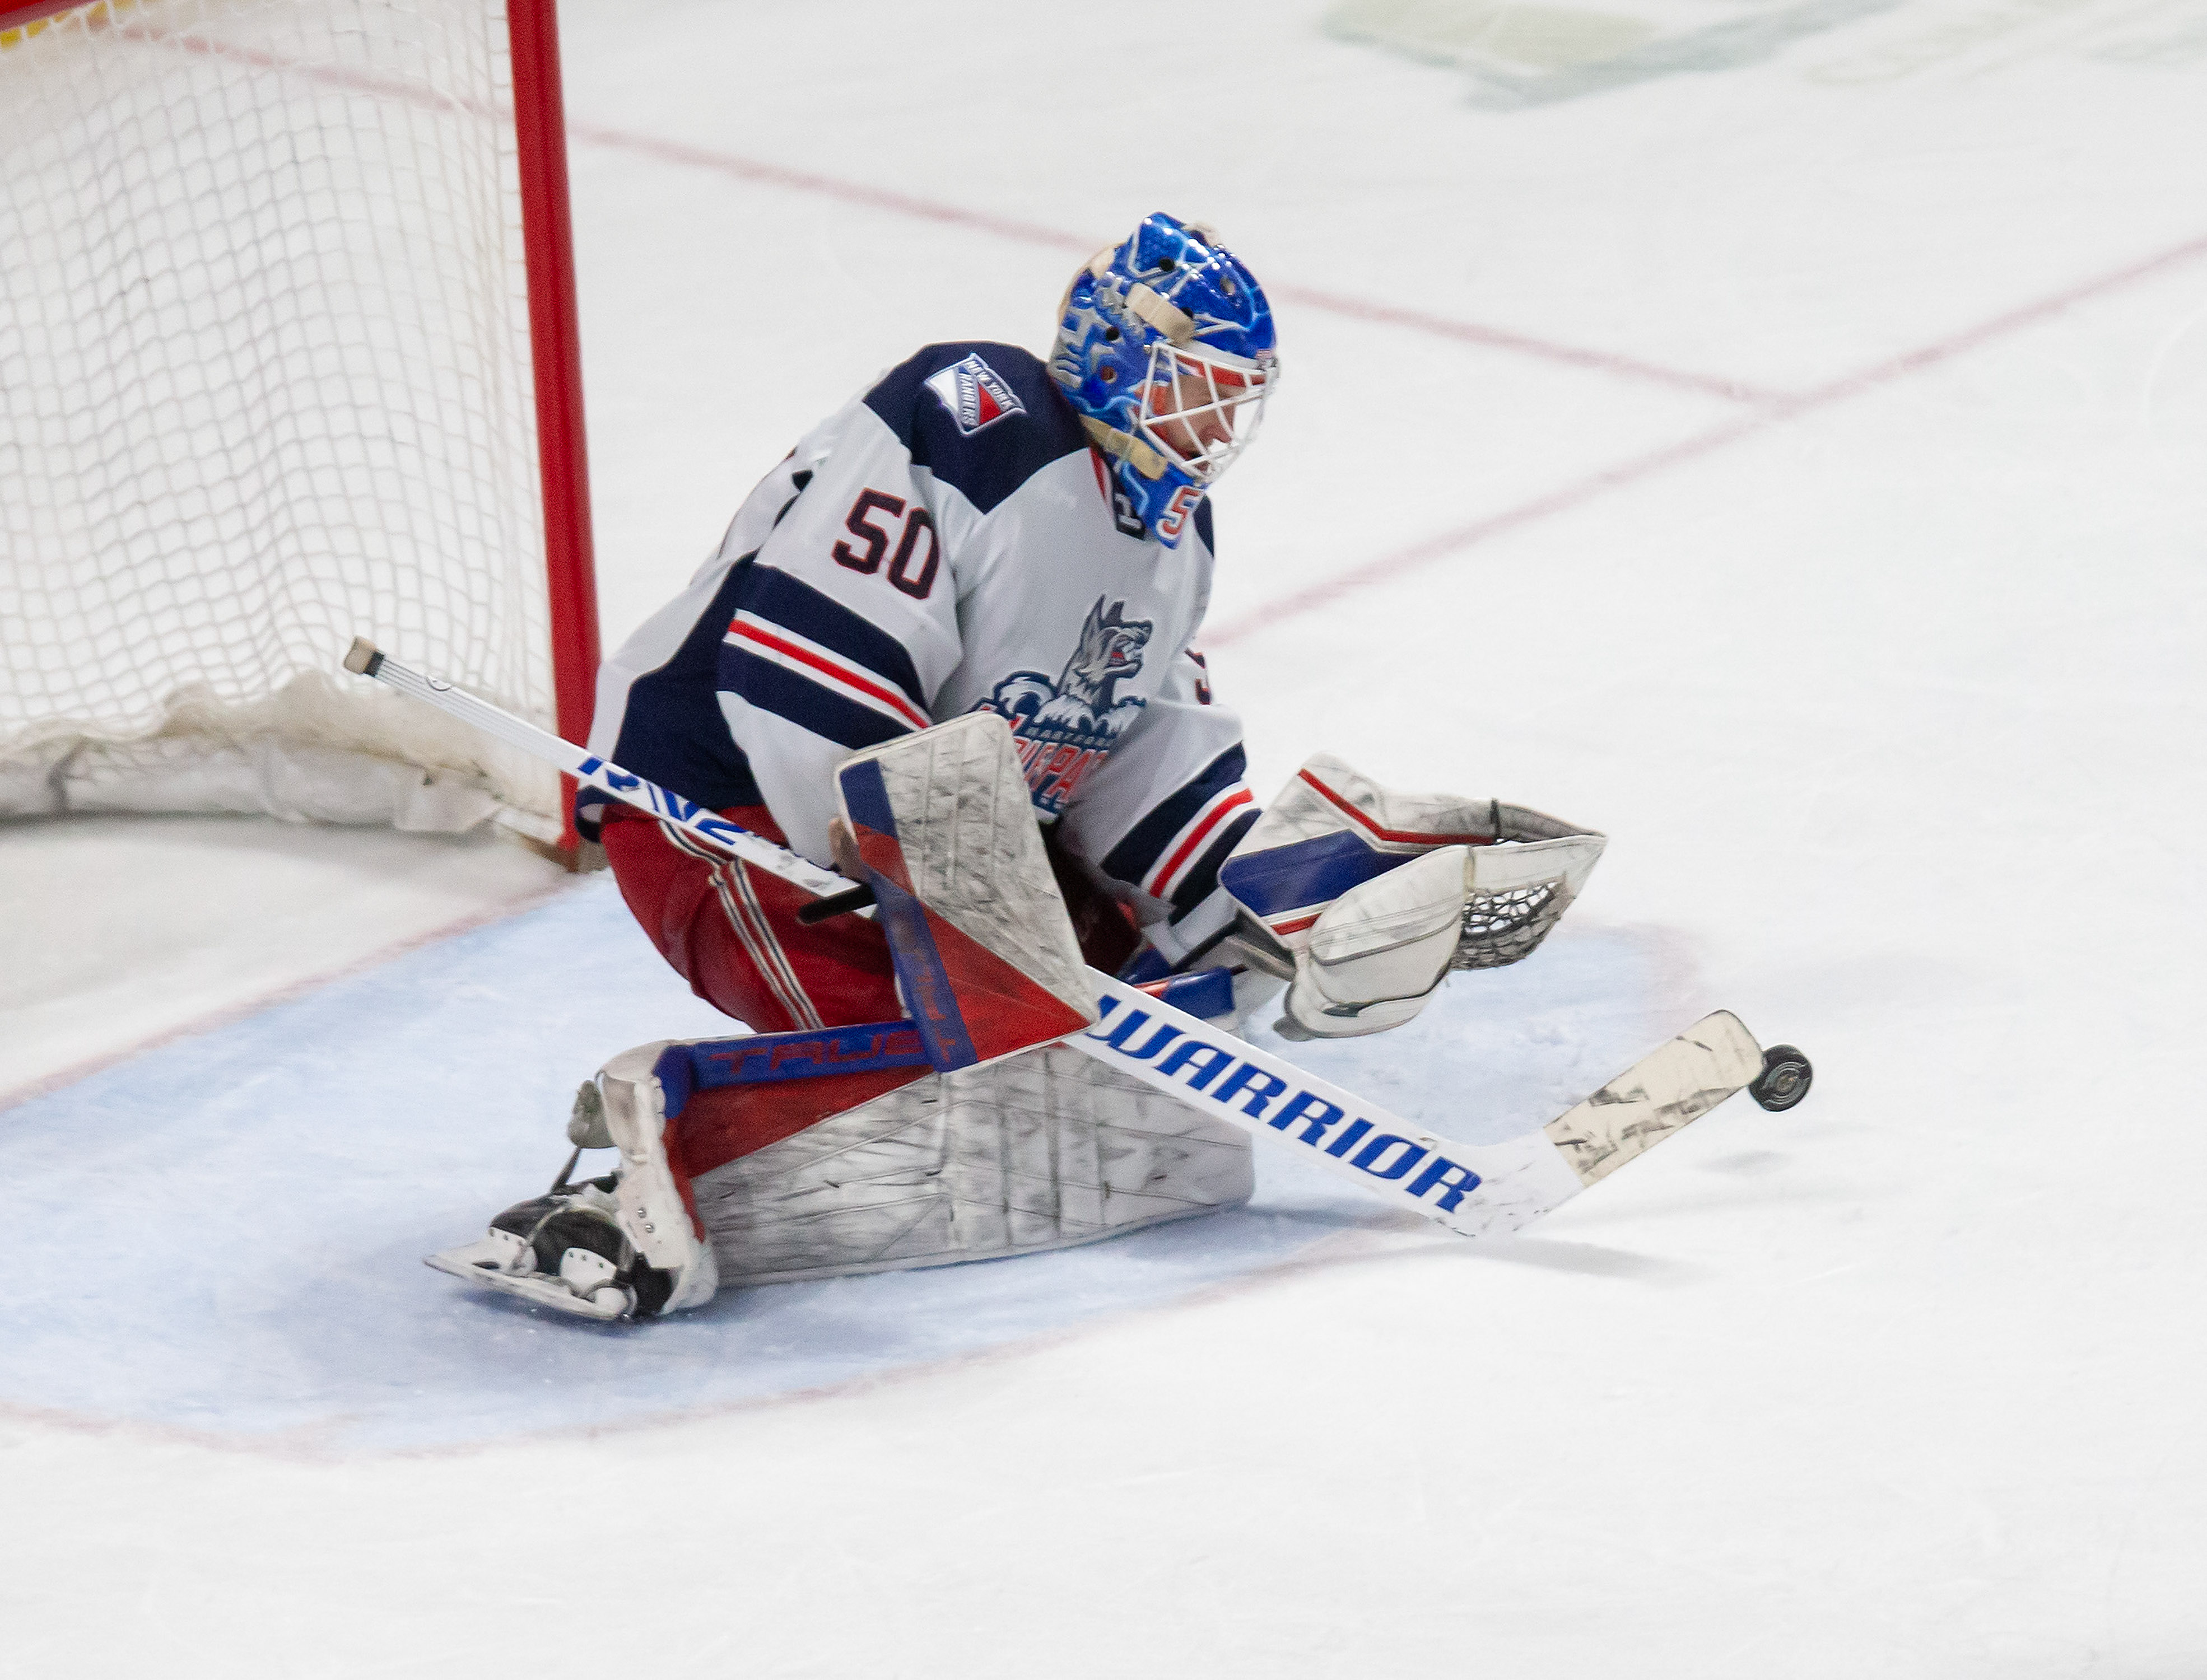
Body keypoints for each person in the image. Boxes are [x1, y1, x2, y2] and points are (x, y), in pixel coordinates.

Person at [427, 213, 1606, 1322]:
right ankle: (655, 1150)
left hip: (952, 834)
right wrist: (926, 904)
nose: (1212, 430)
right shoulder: (971, 419)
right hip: (729, 803)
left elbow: (1128, 748)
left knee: (1142, 1023)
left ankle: (943, 1036)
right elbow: (801, 673)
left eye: (1231, 403)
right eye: (1193, 390)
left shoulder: (1173, 534)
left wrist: (1264, 911)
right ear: (1115, 355)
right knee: (978, 1045)